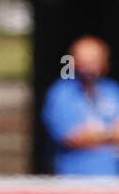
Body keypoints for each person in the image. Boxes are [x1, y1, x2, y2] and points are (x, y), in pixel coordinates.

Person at [42, 35, 119, 176]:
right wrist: (109, 133)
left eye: (94, 60)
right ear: (73, 61)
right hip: (74, 181)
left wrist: (96, 134)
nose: (89, 66)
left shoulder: (112, 90)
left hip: (112, 181)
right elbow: (72, 137)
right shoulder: (61, 93)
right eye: (84, 60)